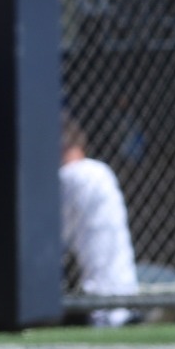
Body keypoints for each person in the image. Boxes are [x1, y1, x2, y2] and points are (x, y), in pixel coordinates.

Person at [59, 113, 138, 327]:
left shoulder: (70, 176)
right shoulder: (101, 170)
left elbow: (56, 239)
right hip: (128, 294)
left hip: (101, 306)